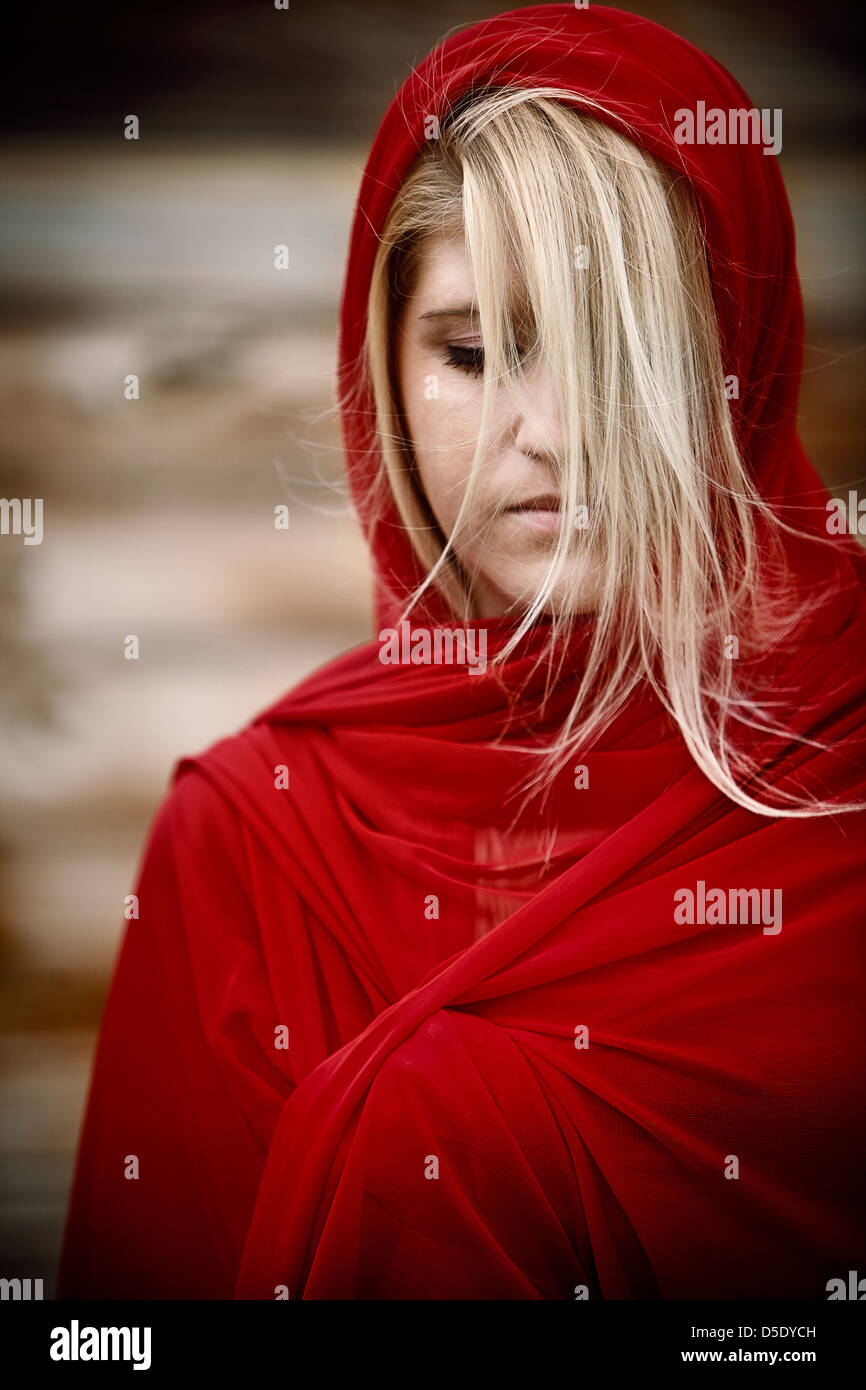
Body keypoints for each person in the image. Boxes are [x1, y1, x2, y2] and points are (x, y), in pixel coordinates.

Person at [58, 4, 866, 1300]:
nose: (549, 431)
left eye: (624, 354)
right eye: (474, 351)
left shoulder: (842, 761)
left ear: (741, 367)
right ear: (380, 362)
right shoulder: (253, 833)